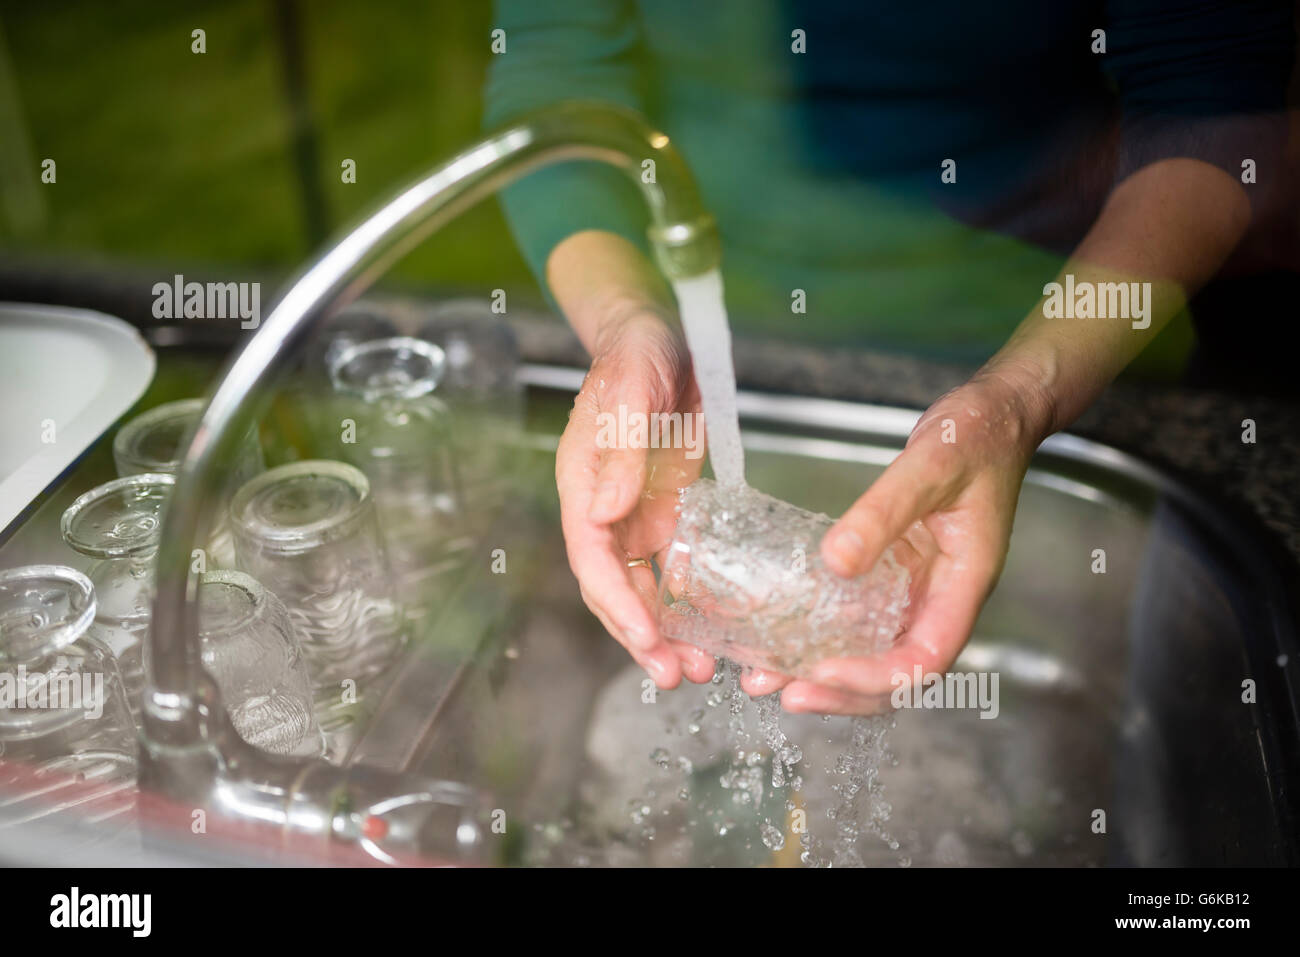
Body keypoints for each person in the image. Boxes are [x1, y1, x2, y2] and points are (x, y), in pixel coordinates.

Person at [483, 0, 1296, 714]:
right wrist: (628, 323)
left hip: (1058, 338)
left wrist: (1020, 399)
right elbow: (554, 70)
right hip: (719, 358)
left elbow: (1211, 108)